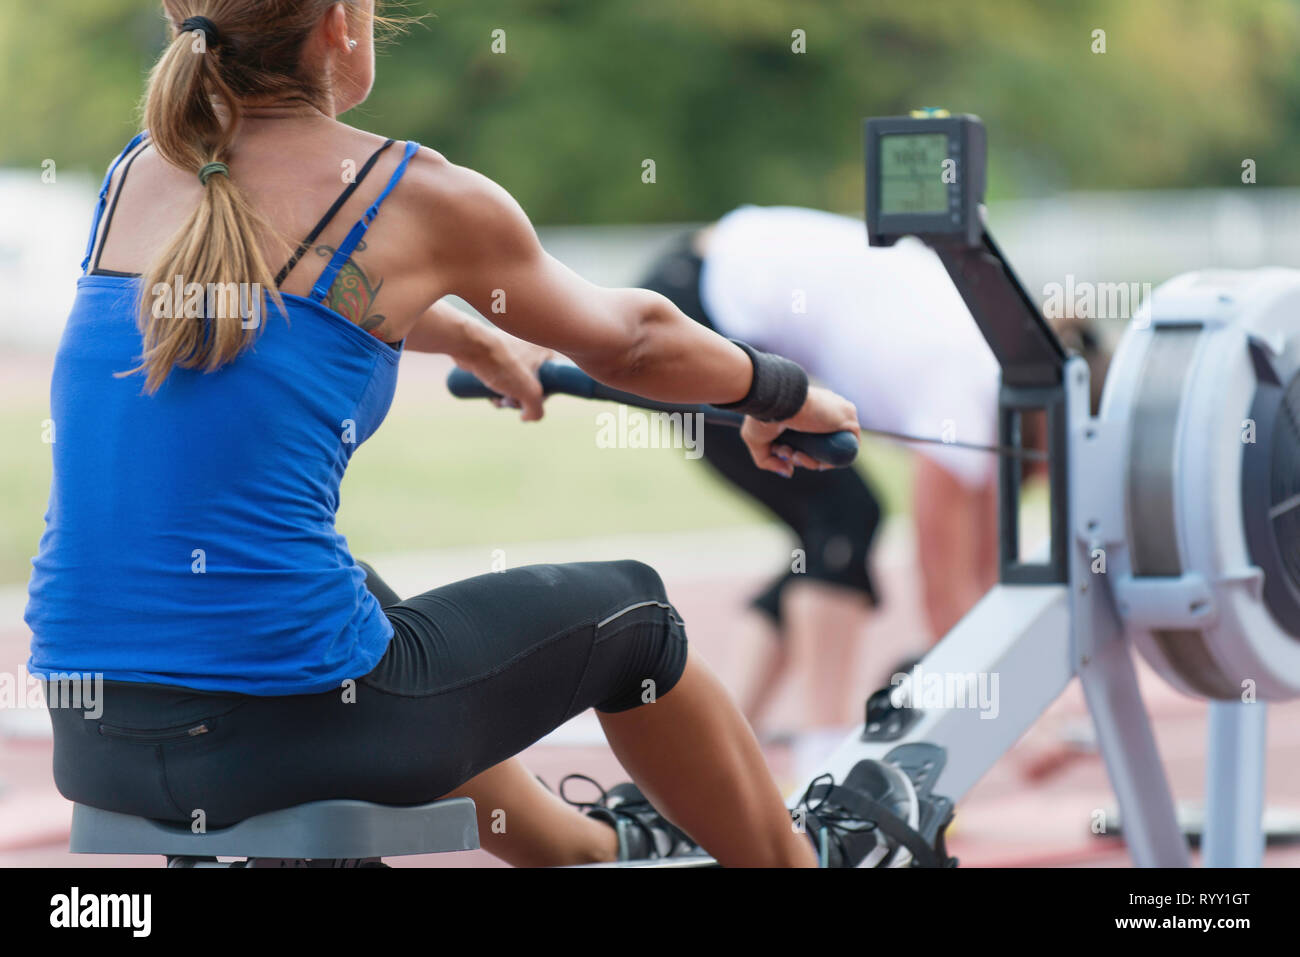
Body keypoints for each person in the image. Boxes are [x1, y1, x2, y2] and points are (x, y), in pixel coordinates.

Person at [23, 2, 879, 868]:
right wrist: (779, 390)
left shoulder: (144, 174)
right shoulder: (413, 192)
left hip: (95, 732)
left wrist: (470, 334)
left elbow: (291, 290)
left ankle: (592, 848)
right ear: (339, 25)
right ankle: (799, 862)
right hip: (299, 724)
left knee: (351, 593)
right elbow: (634, 340)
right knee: (638, 614)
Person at [638, 205, 1108, 771]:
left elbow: (984, 582)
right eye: (1056, 469)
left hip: (708, 280)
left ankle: (710, 761)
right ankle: (821, 759)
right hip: (695, 307)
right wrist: (1017, 728)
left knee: (831, 528)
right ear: (1053, 429)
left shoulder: (1000, 368)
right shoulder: (966, 387)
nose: (1043, 484)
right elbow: (944, 592)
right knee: (847, 516)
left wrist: (1024, 713)